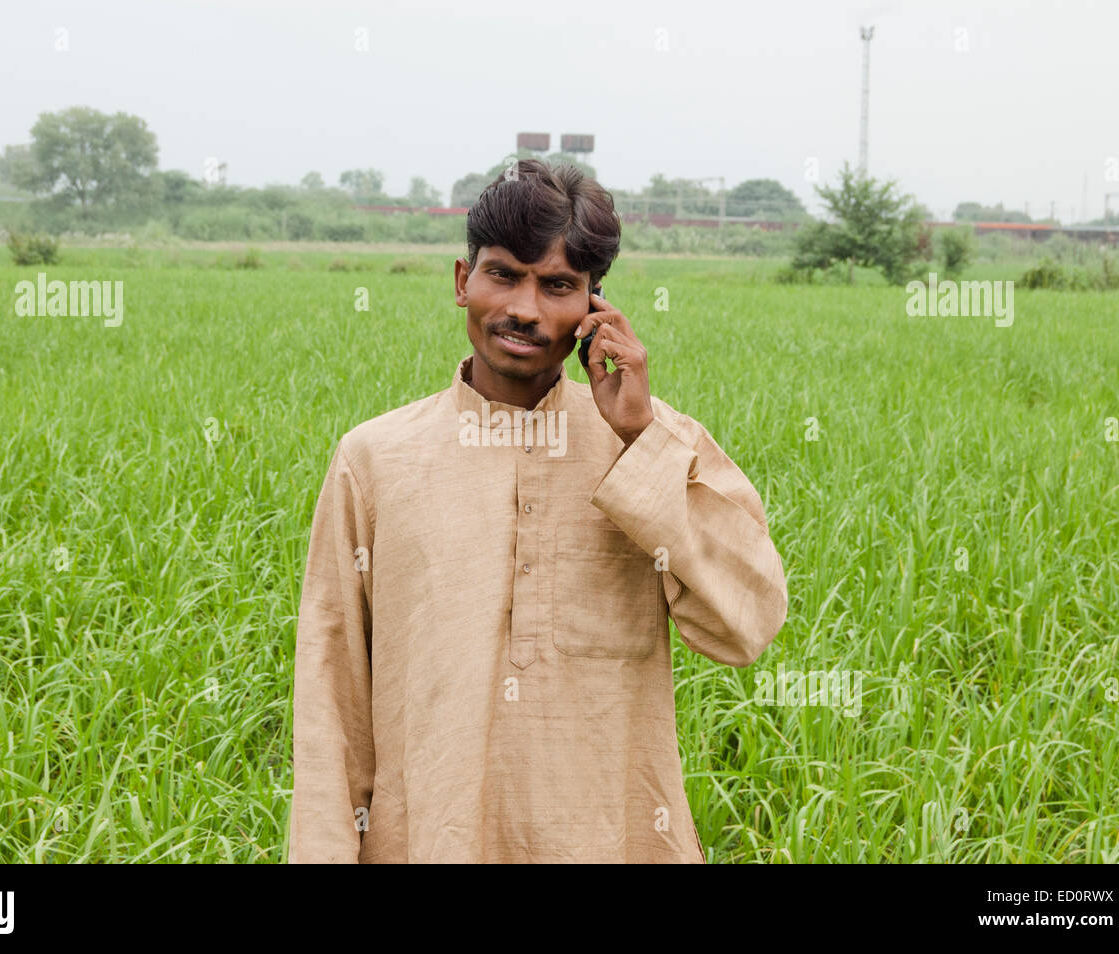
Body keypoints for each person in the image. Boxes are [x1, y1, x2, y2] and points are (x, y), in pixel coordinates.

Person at [287, 158, 787, 863]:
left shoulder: (648, 442)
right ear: (463, 282)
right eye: (503, 274)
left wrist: (640, 439)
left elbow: (747, 625)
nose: (525, 308)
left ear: (594, 309)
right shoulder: (376, 460)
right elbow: (330, 698)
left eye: (557, 286)